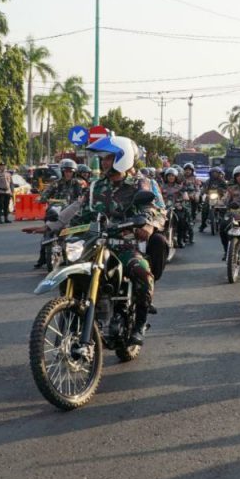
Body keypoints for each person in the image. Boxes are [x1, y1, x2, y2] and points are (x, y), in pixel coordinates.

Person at [81, 136, 161, 345]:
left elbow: (151, 209)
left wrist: (147, 225)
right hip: (96, 245)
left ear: (122, 158)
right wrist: (53, 227)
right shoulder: (96, 186)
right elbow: (80, 213)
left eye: (109, 158)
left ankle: (140, 323)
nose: (104, 162)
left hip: (125, 246)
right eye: (103, 158)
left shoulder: (138, 184)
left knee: (142, 272)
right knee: (72, 270)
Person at [199, 166, 228, 232]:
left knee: (224, 209)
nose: (214, 174)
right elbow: (204, 188)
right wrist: (202, 193)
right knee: (204, 209)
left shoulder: (223, 181)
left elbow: (227, 189)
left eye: (216, 173)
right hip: (210, 197)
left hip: (220, 198)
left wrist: (222, 191)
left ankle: (223, 223)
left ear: (219, 173)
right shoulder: (208, 181)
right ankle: (203, 224)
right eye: (213, 173)